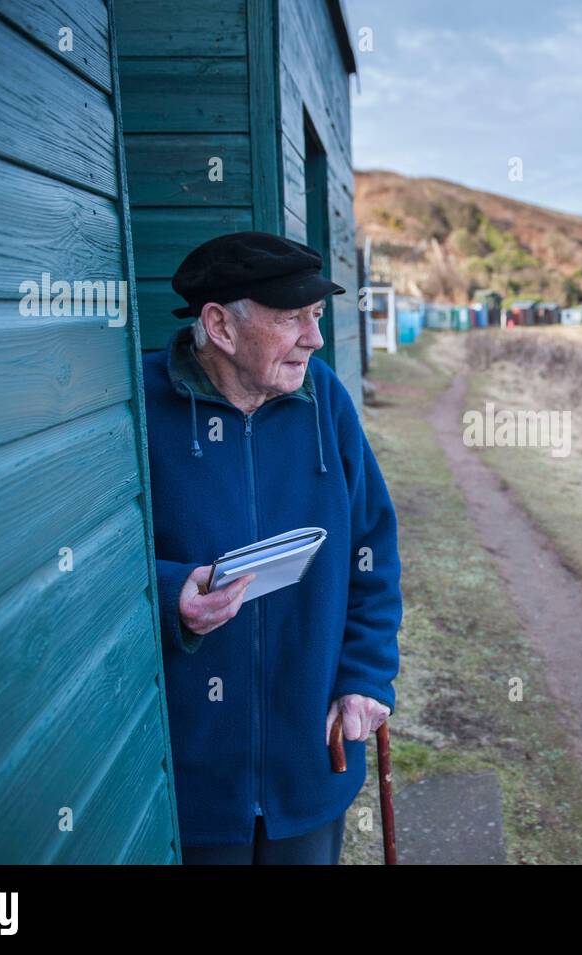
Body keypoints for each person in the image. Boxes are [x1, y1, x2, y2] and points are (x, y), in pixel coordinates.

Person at [142, 231, 402, 864]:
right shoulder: (139, 406)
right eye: (292, 320)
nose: (314, 339)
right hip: (189, 778)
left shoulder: (326, 401)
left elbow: (371, 549)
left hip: (310, 756)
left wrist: (366, 677)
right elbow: (90, 562)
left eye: (316, 317)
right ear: (220, 327)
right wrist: (171, 592)